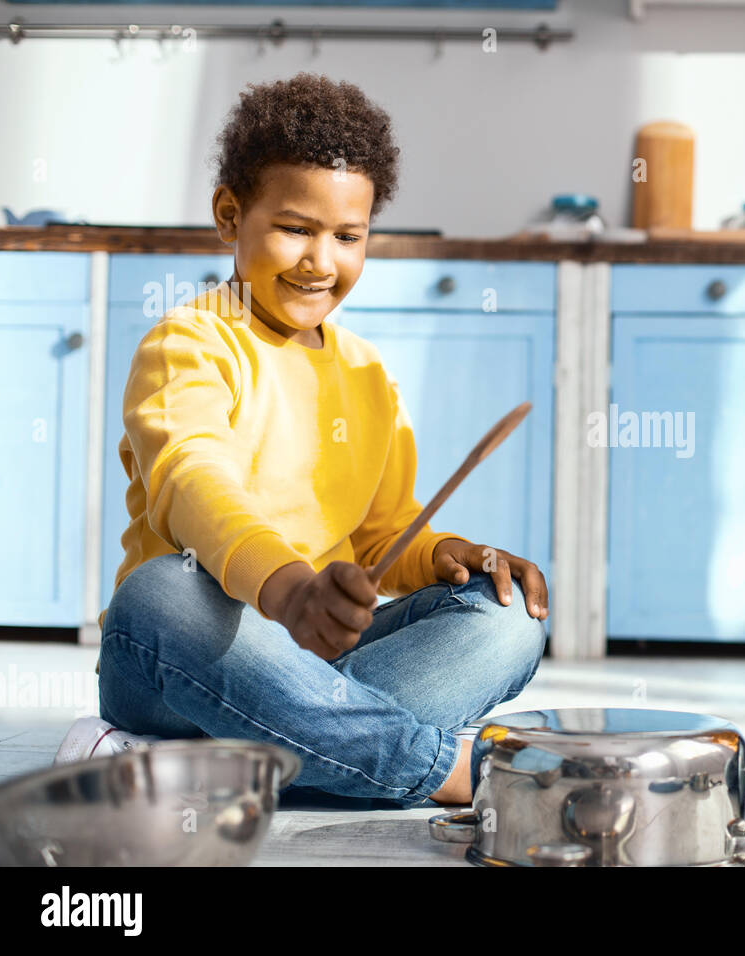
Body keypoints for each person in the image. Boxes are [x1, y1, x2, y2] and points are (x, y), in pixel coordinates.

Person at [55, 74, 549, 808]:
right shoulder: (189, 341)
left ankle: (252, 751)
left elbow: (384, 535)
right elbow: (192, 479)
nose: (322, 260)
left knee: (505, 616)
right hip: (184, 656)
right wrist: (288, 592)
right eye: (296, 228)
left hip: (304, 665)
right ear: (230, 215)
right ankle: (428, 767)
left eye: (348, 237)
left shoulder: (366, 373)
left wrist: (443, 555)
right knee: (159, 595)